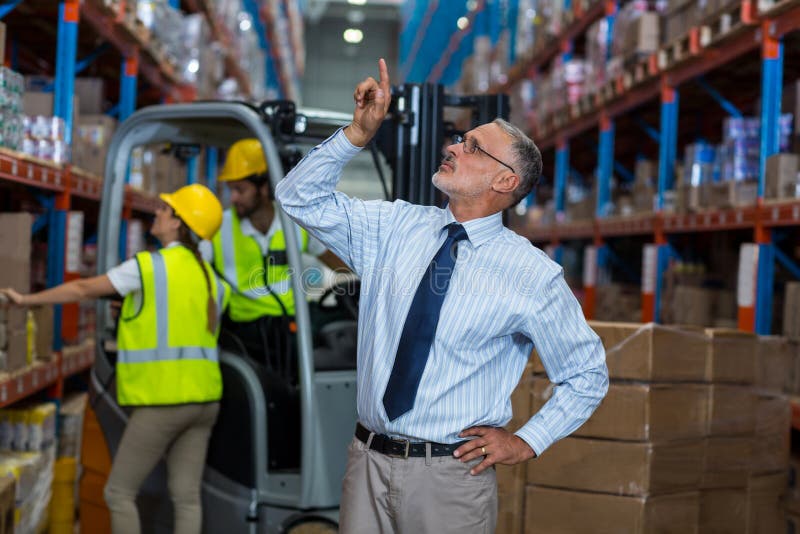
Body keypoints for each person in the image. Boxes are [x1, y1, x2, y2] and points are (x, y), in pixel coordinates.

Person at [274, 59, 609, 533]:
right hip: (366, 461)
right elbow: (298, 199)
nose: (454, 146)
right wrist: (355, 134)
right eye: (460, 139)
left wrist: (527, 440)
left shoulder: (531, 274)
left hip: (451, 479)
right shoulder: (395, 227)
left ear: (505, 182)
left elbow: (586, 376)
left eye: (473, 147)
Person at [2, 184, 229, 534]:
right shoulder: (214, 280)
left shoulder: (150, 267)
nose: (158, 212)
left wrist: (25, 300)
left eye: (166, 210)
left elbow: (81, 289)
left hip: (163, 402)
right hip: (206, 400)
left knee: (119, 492)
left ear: (179, 225)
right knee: (185, 497)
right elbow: (182, 323)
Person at [201, 138, 348, 371]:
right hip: (249, 330)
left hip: (291, 320)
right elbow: (192, 267)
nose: (233, 198)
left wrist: (372, 275)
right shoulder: (219, 228)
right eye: (231, 190)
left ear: (264, 187)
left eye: (240, 189)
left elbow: (337, 259)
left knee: (345, 324)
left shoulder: (294, 221)